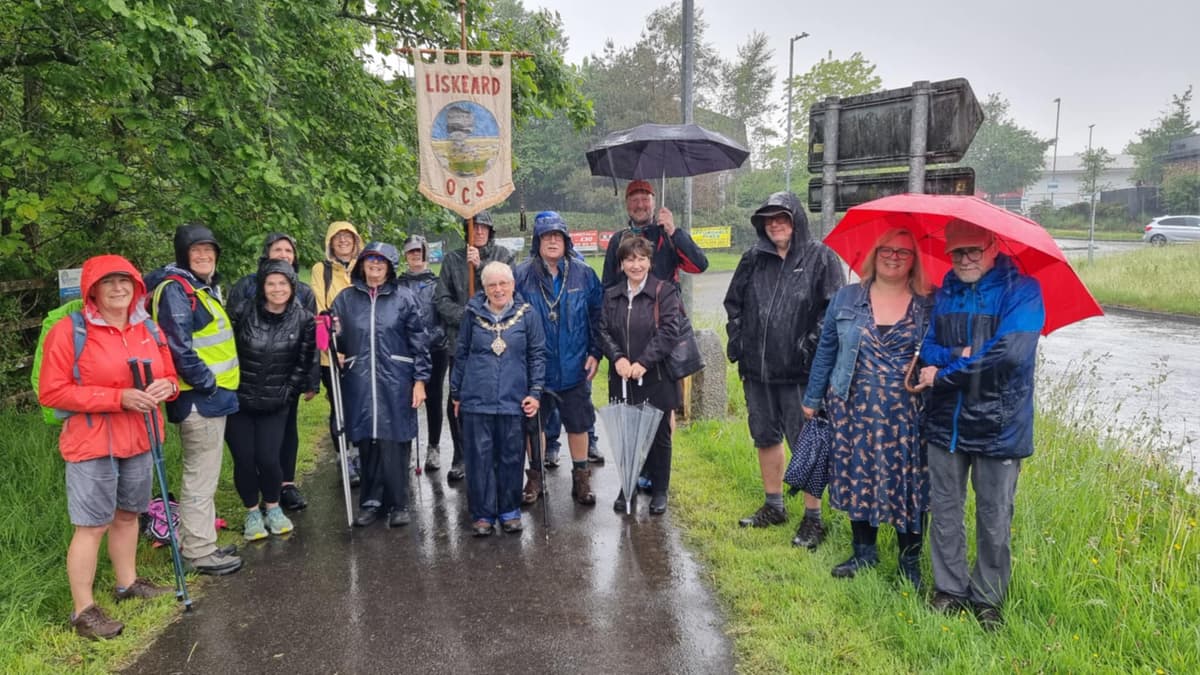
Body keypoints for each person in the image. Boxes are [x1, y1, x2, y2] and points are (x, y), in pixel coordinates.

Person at [38, 255, 178, 639]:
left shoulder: (147, 326)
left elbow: (167, 372)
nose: (119, 289)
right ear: (92, 290)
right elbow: (52, 391)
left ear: (137, 287)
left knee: (129, 514)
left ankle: (128, 584)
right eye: (108, 282)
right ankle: (83, 611)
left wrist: (168, 387)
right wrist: (118, 399)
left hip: (141, 435)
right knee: (92, 525)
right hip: (91, 440)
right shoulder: (70, 331)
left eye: (126, 282)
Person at [916, 219, 1045, 630]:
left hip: (1000, 425)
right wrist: (957, 352)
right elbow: (927, 349)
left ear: (993, 246)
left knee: (994, 518)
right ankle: (949, 590)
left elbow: (1010, 354)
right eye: (957, 252)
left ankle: (988, 600)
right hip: (945, 423)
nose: (966, 259)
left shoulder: (1022, 291)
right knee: (946, 512)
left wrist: (944, 373)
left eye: (974, 250)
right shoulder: (943, 294)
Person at [801, 228, 934, 586]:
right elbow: (827, 349)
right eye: (887, 250)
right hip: (852, 406)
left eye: (904, 253)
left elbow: (942, 354)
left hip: (907, 414)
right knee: (858, 475)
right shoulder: (846, 299)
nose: (894, 257)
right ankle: (864, 553)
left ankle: (910, 564)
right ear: (874, 254)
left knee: (909, 485)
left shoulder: (928, 303)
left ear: (914, 260)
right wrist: (812, 399)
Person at [724, 192, 843, 548]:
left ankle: (813, 518)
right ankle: (774, 504)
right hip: (757, 371)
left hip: (800, 374)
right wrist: (739, 342)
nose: (776, 224)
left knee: (807, 445)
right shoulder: (753, 259)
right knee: (765, 436)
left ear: (797, 220)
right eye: (769, 219)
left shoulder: (821, 258)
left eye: (783, 217)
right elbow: (734, 304)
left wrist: (808, 347)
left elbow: (832, 311)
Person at [145, 223, 243, 575]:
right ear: (183, 255)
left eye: (209, 251)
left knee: (205, 474)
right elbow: (179, 347)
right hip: (201, 399)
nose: (204, 256)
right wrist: (208, 384)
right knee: (200, 477)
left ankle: (200, 540)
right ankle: (200, 551)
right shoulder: (176, 291)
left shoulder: (196, 288)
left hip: (209, 398)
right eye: (196, 251)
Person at [332, 243, 431, 528]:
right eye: (370, 259)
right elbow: (336, 336)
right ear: (362, 265)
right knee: (366, 439)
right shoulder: (346, 299)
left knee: (394, 439)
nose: (375, 264)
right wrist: (331, 342)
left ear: (390, 266)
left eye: (381, 260)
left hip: (396, 379)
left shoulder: (404, 298)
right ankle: (370, 501)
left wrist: (420, 380)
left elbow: (419, 342)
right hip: (360, 379)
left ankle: (398, 502)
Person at [514, 212, 603, 506]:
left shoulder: (584, 274)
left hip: (575, 365)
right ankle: (536, 478)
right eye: (546, 236)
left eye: (557, 236)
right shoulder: (520, 275)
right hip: (535, 369)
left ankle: (581, 479)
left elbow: (598, 317)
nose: (552, 241)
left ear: (566, 241)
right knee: (534, 425)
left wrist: (595, 353)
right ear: (537, 241)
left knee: (578, 424)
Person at [450, 261, 545, 536]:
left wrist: (535, 392)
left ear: (513, 285)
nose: (498, 289)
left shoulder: (527, 315)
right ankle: (482, 515)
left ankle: (509, 511)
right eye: (492, 284)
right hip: (476, 399)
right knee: (478, 459)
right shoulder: (471, 313)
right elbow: (462, 353)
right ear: (484, 287)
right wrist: (456, 392)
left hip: (514, 399)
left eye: (503, 283)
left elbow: (537, 355)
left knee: (511, 456)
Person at [226, 259, 318, 541]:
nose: (277, 289)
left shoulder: (304, 319)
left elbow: (304, 361)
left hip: (275, 402)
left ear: (292, 286)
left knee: (268, 458)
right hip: (239, 400)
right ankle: (252, 511)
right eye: (270, 283)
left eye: (283, 283)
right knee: (244, 458)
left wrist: (287, 393)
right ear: (261, 286)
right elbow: (226, 351)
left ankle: (273, 507)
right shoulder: (242, 311)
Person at [597, 236, 685, 515]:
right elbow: (602, 331)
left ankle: (660, 490)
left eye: (641, 258)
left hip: (656, 377)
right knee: (626, 434)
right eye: (630, 259)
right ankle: (628, 486)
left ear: (649, 261)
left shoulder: (665, 292)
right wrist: (618, 358)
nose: (636, 265)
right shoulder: (611, 295)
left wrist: (644, 362)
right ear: (621, 264)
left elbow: (670, 330)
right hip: (621, 378)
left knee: (659, 436)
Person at [434, 210, 514, 482]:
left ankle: (491, 453)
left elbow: (504, 294)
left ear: (490, 230)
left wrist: (480, 267)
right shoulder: (452, 260)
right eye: (474, 227)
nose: (478, 231)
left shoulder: (503, 256)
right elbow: (442, 300)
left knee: (494, 397)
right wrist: (467, 319)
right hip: (461, 343)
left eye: (484, 227)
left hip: (496, 342)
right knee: (457, 400)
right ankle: (461, 453)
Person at [312, 221, 365, 486]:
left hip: (362, 352)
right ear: (330, 242)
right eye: (338, 237)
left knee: (360, 404)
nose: (343, 241)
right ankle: (343, 455)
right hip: (332, 355)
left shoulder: (365, 266)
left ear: (356, 241)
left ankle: (359, 453)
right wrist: (335, 349)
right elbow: (320, 310)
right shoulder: (321, 271)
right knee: (339, 407)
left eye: (348, 236)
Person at [398, 234, 448, 473]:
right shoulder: (397, 284)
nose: (415, 255)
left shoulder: (438, 283)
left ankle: (434, 447)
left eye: (419, 251)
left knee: (434, 397)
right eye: (411, 252)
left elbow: (444, 318)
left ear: (425, 253)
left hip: (435, 349)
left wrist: (426, 340)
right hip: (407, 352)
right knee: (408, 398)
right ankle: (406, 446)